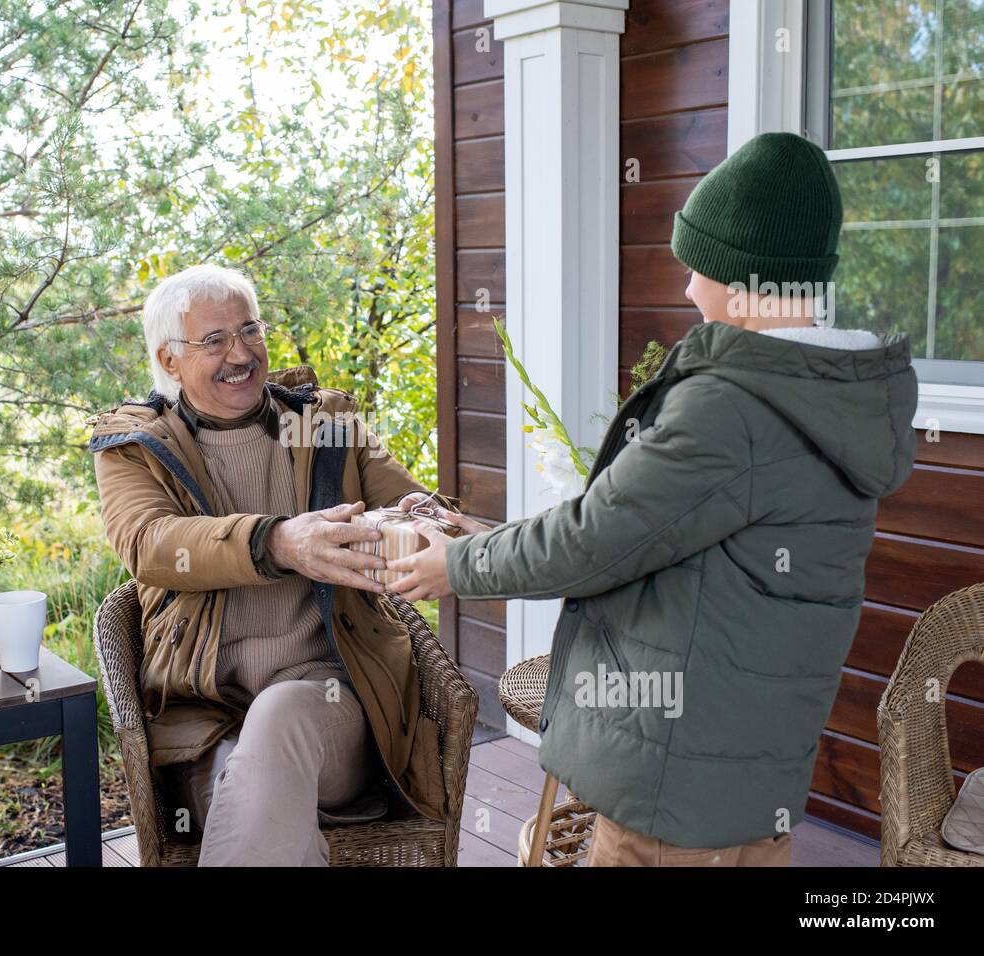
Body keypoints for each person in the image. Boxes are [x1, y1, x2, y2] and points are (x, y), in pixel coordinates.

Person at [387, 132, 918, 866]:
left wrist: (459, 566)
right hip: (747, 771)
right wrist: (482, 533)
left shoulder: (734, 407)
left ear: (740, 276)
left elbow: (594, 540)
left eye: (698, 262)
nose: (687, 286)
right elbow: (658, 533)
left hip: (673, 784)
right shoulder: (832, 396)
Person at [89, 263, 455, 865]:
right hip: (208, 724)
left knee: (279, 717)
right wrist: (279, 543)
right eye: (213, 340)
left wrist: (420, 517)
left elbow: (410, 504)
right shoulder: (134, 447)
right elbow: (149, 544)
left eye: (250, 330)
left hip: (330, 702)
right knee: (260, 804)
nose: (241, 352)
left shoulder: (327, 424)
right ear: (170, 360)